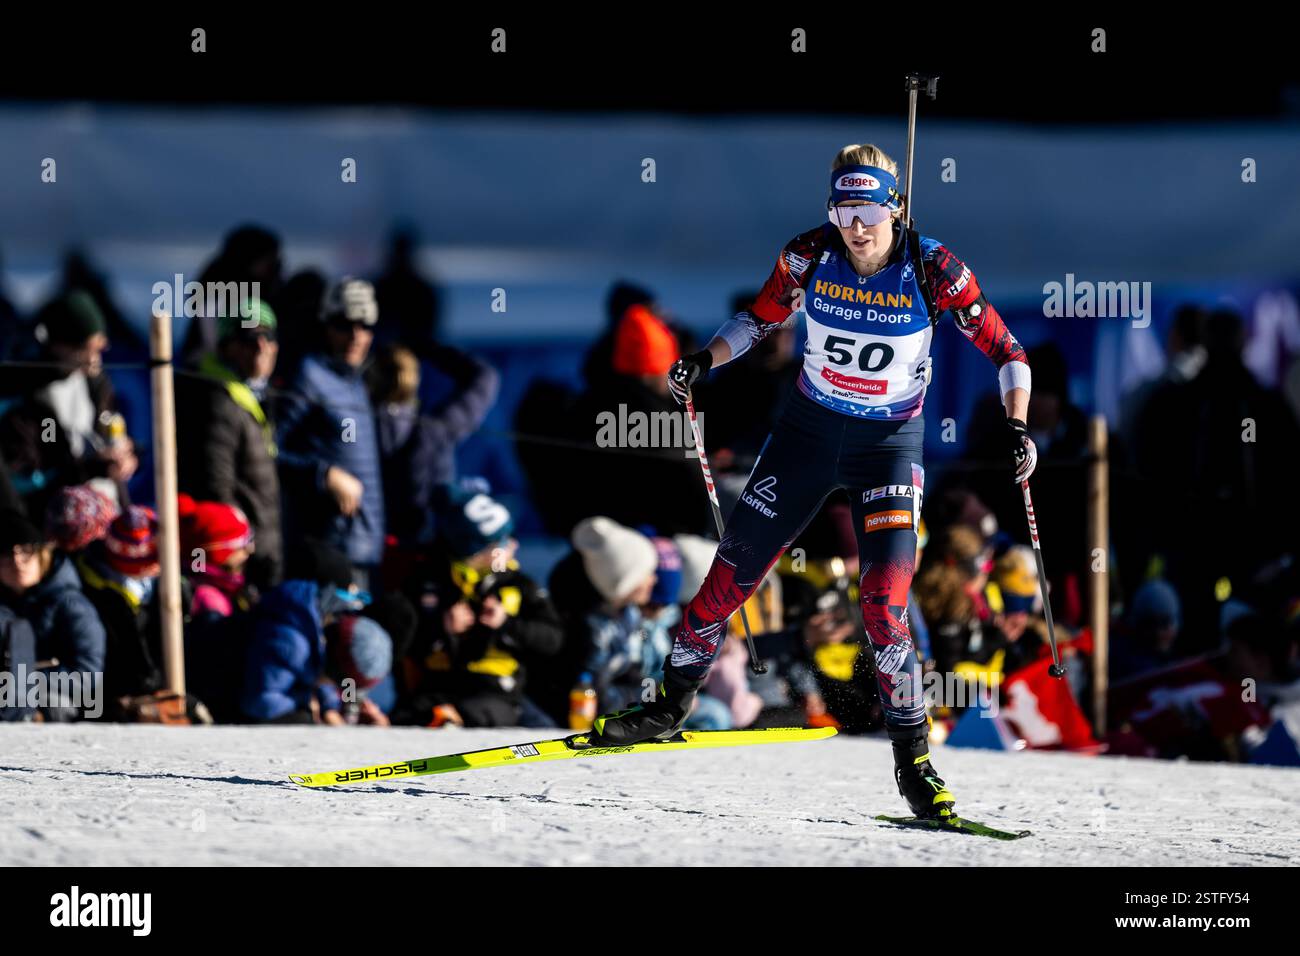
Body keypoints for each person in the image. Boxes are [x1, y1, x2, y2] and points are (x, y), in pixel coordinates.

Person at [588, 144, 1036, 821]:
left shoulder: (933, 267)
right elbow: (758, 319)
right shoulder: (809, 254)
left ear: (895, 209)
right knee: (727, 577)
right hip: (807, 437)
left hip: (887, 449)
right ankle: (667, 706)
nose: (856, 228)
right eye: (843, 211)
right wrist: (704, 360)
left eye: (869, 212)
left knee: (883, 605)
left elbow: (1008, 350)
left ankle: (915, 763)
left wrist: (1017, 426)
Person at [276, 278, 385, 587]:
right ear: (325, 325)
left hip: (365, 550)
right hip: (326, 553)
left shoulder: (357, 380)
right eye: (343, 324)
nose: (355, 335)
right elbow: (267, 452)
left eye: (365, 325)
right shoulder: (308, 376)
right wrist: (323, 475)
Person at [177, 300, 283, 588]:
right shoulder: (219, 400)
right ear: (226, 345)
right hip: (239, 562)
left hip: (257, 553)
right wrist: (241, 547)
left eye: (268, 336)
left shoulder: (251, 395)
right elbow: (217, 486)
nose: (261, 346)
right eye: (250, 337)